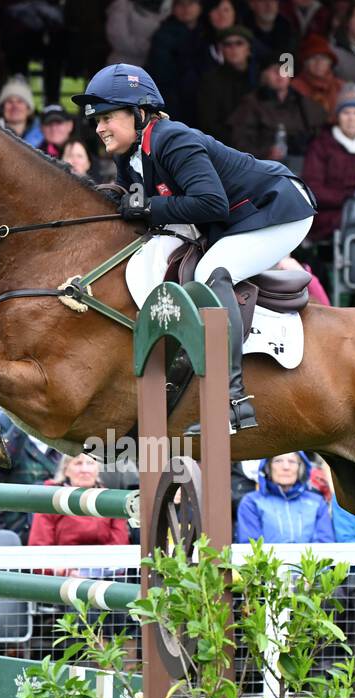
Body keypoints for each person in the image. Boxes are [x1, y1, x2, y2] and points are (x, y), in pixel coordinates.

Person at [75, 62, 316, 434]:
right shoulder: (129, 154)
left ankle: (232, 402)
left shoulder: (173, 139)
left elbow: (210, 203)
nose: (99, 128)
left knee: (211, 273)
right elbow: (134, 208)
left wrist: (148, 207)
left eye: (107, 117)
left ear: (139, 113)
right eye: (96, 120)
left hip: (279, 208)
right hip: (237, 219)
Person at [302, 84, 355, 244]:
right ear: (337, 117)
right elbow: (312, 188)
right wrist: (347, 198)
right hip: (329, 217)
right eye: (346, 112)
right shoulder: (321, 145)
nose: (351, 118)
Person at [228, 59, 326, 162]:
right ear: (264, 75)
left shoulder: (303, 104)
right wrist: (265, 152)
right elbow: (239, 141)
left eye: (285, 69)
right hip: (263, 164)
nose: (280, 74)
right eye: (274, 70)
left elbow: (320, 137)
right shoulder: (250, 104)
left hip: (302, 163)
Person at [28, 452, 131, 547]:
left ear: (97, 469)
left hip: (104, 560)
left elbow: (120, 542)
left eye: (90, 463)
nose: (84, 470)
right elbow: (40, 544)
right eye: (78, 463)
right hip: (62, 559)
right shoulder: (51, 498)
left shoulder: (110, 499)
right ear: (66, 470)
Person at [235, 452, 334, 543]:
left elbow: (325, 543)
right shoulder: (251, 502)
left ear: (301, 468)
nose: (286, 467)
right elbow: (250, 545)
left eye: (292, 461)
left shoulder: (317, 502)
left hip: (311, 558)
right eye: (278, 461)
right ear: (268, 467)